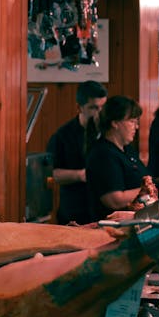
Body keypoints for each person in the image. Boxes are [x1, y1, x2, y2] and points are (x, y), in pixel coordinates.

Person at [86, 95, 155, 221]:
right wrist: (147, 189)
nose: (136, 127)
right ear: (115, 123)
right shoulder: (103, 154)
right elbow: (114, 200)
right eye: (132, 122)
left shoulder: (127, 149)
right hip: (111, 226)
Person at [48, 81, 107, 224]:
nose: (99, 113)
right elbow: (52, 173)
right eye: (93, 107)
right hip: (75, 210)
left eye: (103, 107)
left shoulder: (110, 132)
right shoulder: (62, 136)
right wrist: (81, 175)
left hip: (104, 210)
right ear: (79, 107)